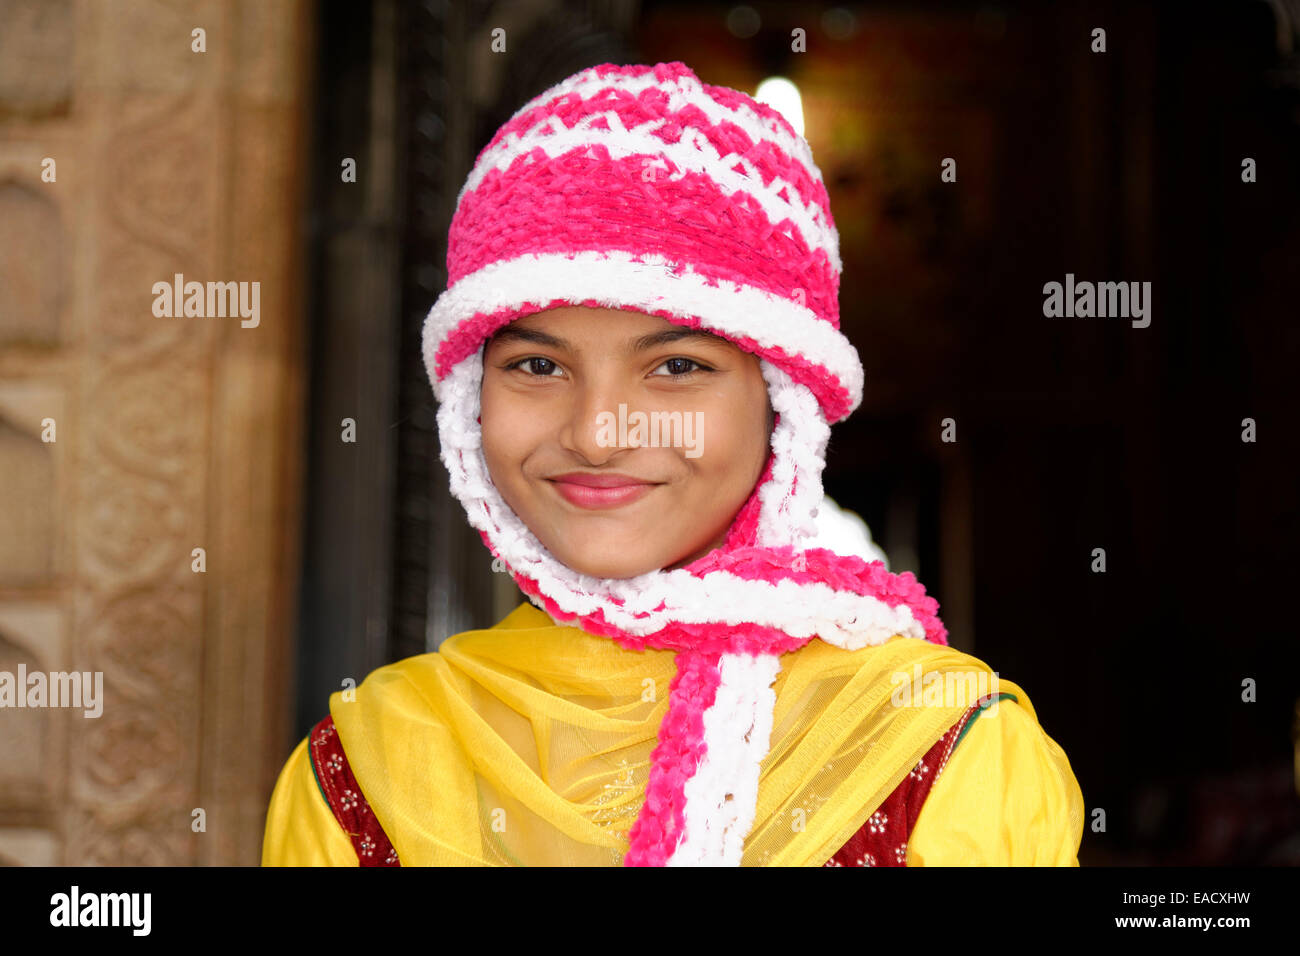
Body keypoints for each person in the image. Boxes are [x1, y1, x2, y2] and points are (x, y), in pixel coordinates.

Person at [262, 61, 1083, 867]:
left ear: (782, 402)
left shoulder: (947, 758)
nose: (598, 434)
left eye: (678, 366)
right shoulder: (362, 771)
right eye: (538, 366)